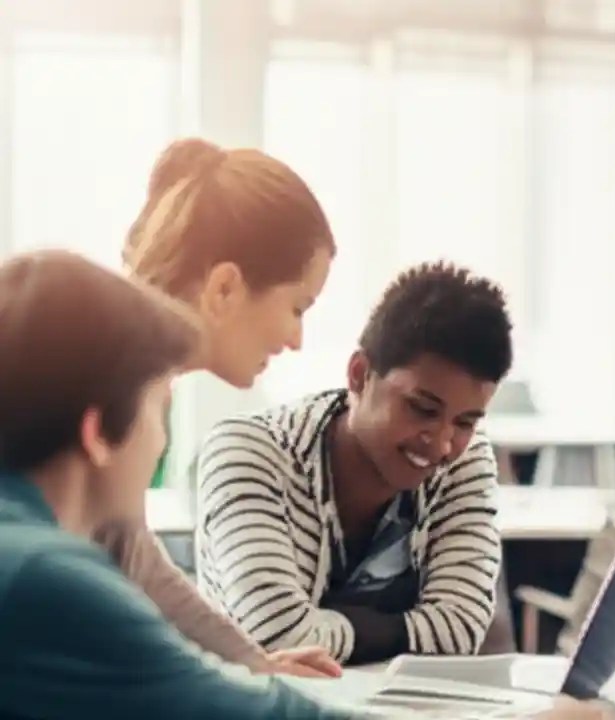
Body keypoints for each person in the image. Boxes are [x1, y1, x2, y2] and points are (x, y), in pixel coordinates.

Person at [0, 250, 347, 719]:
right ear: (98, 432)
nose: (162, 442)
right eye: (160, 409)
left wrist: (252, 664)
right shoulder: (49, 577)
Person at [93, 137, 340, 677]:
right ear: (225, 287)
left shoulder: (147, 381)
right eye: (296, 307)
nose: (296, 339)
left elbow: (136, 556)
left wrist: (252, 662)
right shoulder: (112, 379)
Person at [196, 261, 508, 665]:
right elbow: (278, 637)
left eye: (465, 422)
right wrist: (411, 629)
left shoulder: (464, 461)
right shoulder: (248, 451)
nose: (444, 444)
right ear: (359, 375)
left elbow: (460, 629)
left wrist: (323, 629)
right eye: (421, 409)